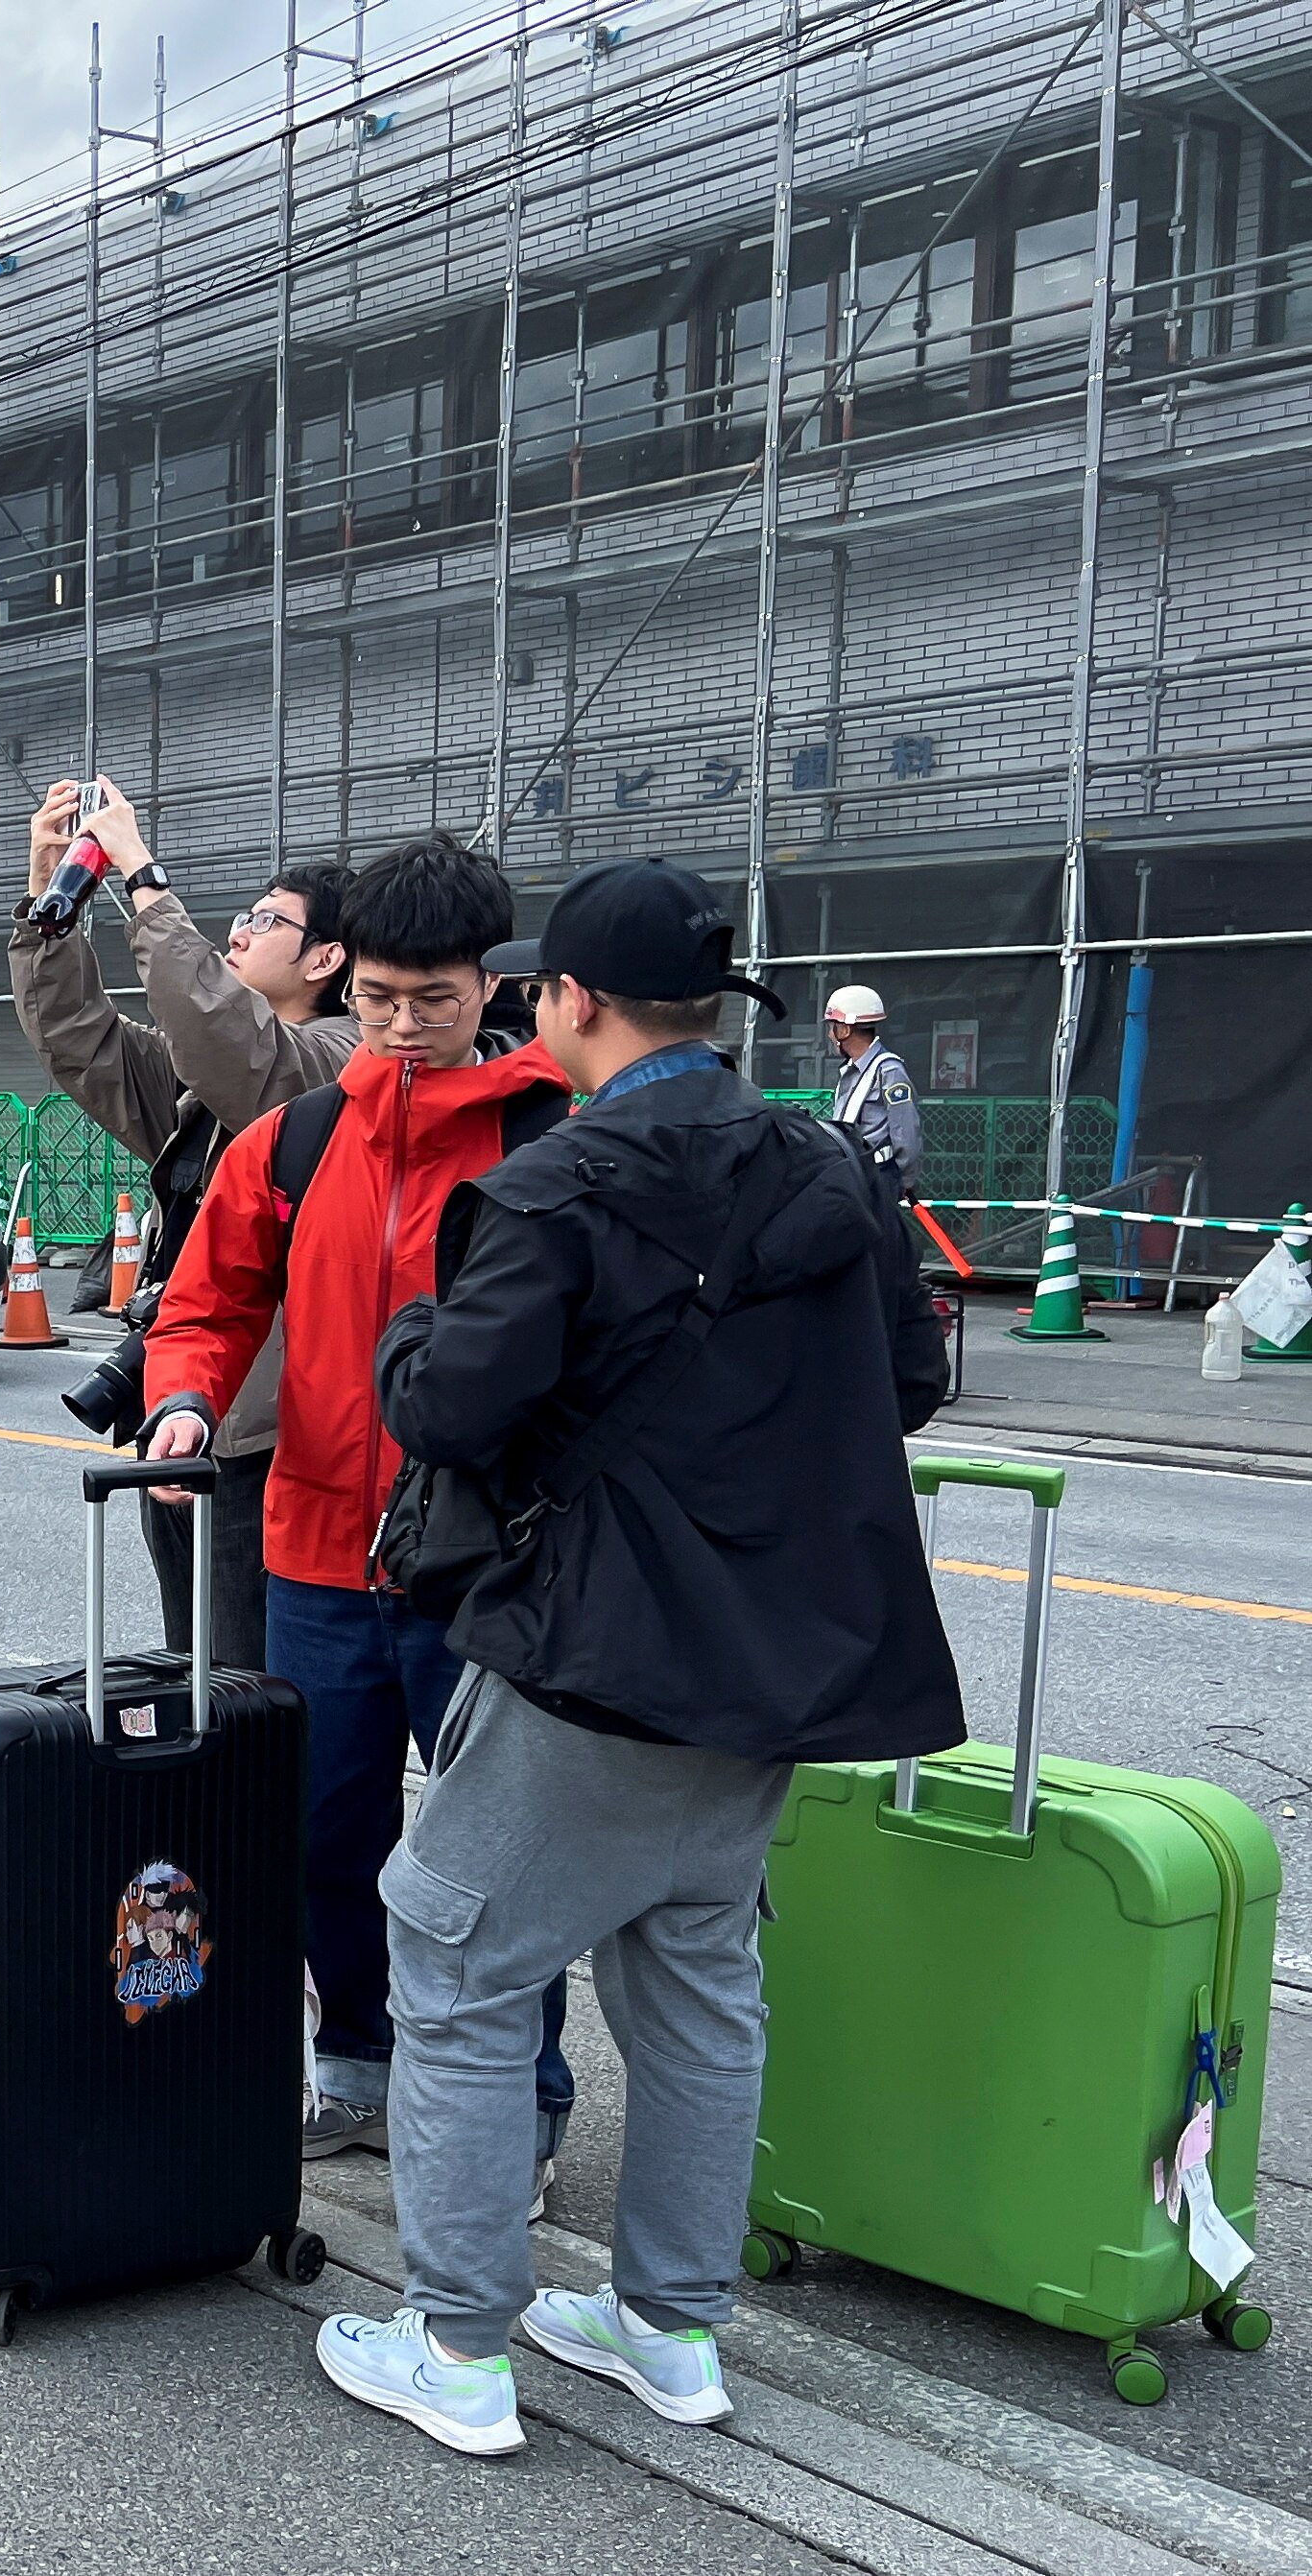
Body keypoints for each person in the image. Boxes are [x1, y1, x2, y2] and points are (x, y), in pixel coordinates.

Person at [310, 859, 960, 2456]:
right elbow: (906, 1384)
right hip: (774, 1669)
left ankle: (455, 2350)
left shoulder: (556, 1187)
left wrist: (406, 1332)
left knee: (450, 1966)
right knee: (693, 1991)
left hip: (595, 1660)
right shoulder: (825, 1166)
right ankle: (669, 2334)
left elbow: (445, 1408)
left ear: (566, 1005)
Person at [135, 835, 577, 2172]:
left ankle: (525, 2094)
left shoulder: (550, 1131)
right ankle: (357, 2062)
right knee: (328, 1827)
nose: (396, 1027)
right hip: (318, 1548)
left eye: (428, 1001)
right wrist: (185, 1395)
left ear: (488, 985)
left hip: (490, 1564)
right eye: (375, 997)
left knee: (496, 1852)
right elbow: (209, 1299)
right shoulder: (297, 1134)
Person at [9, 774, 355, 1669]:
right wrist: (53, 898)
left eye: (266, 920)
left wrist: (146, 880)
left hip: (268, 1434)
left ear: (326, 959)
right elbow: (79, 1038)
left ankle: (275, 1814)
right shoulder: (204, 1083)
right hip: (185, 1405)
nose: (240, 929)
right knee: (192, 1667)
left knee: (248, 1683)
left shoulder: (337, 1060)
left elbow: (238, 1050)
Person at [822, 983, 921, 1194]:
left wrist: (906, 1179)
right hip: (851, 1172)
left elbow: (905, 1131)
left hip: (877, 1176)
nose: (830, 1035)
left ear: (845, 1029)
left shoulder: (889, 1070)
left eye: (833, 1027)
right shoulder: (850, 1070)